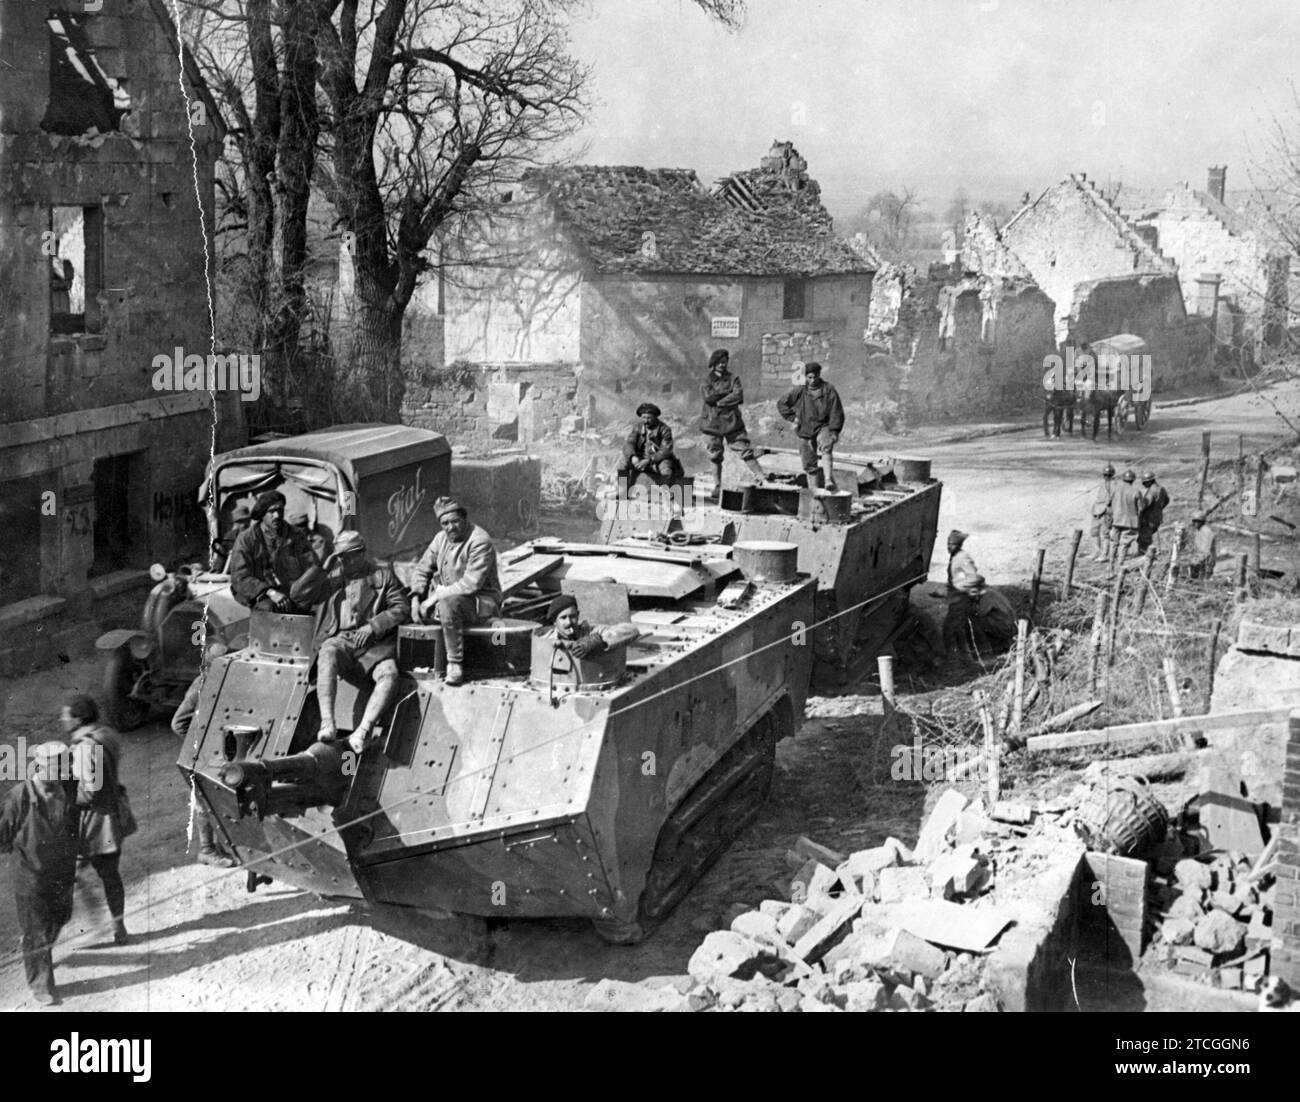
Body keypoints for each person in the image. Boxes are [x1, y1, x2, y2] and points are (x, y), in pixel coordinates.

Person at [293, 531, 410, 753]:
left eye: (355, 554)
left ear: (363, 553)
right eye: (344, 556)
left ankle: (363, 731)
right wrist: (322, 568)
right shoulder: (331, 578)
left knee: (390, 674)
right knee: (327, 650)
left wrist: (373, 625)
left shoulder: (382, 576)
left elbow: (401, 608)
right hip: (343, 640)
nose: (350, 560)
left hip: (375, 645)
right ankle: (327, 722)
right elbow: (298, 595)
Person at [0, 741, 80, 1005]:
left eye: (65, 769)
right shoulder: (19, 796)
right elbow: (3, 836)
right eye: (58, 770)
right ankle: (41, 985)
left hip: (61, 873)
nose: (64, 774)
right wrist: (25, 851)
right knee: (37, 933)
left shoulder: (68, 786)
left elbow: (74, 820)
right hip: (31, 877)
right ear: (41, 767)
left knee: (60, 917)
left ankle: (37, 948)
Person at [409, 498, 501, 688]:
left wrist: (434, 597)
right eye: (445, 523)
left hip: (481, 603)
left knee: (447, 603)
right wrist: (416, 598)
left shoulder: (479, 540)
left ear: (464, 519)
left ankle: (455, 663)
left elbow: (470, 583)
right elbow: (421, 569)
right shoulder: (440, 539)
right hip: (452, 600)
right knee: (410, 603)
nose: (450, 527)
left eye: (455, 521)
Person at [61, 694, 128, 947]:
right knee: (111, 876)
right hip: (114, 813)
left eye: (66, 715)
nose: (62, 719)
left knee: (69, 873)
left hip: (94, 822)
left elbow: (89, 790)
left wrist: (64, 796)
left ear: (78, 719)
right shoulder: (107, 734)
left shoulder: (84, 747)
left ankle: (83, 928)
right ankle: (118, 926)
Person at [172, 643, 238, 868]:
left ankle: (220, 848)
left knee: (218, 800)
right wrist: (198, 742)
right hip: (201, 756)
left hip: (216, 753)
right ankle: (207, 851)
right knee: (204, 802)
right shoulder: (200, 686)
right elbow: (178, 722)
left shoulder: (223, 684)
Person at [228, 490, 317, 611]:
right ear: (262, 514)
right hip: (256, 591)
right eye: (272, 511)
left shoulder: (296, 535)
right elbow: (240, 577)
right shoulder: (246, 539)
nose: (277, 515)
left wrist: (301, 590)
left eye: (280, 510)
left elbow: (312, 566)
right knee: (270, 607)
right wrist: (269, 592)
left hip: (290, 590)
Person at [700, 349, 765, 497]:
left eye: (725, 362)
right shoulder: (707, 380)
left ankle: (761, 476)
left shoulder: (733, 378)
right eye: (719, 362)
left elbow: (738, 396)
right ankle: (717, 485)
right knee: (714, 454)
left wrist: (720, 401)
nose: (723, 365)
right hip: (712, 422)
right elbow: (708, 398)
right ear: (714, 364)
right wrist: (726, 396)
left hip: (732, 422)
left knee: (745, 450)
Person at [777, 362, 846, 490]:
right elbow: (782, 403)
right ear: (805, 377)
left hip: (823, 425)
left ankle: (828, 479)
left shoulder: (828, 389)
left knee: (826, 446)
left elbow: (836, 411)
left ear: (819, 375)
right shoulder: (800, 390)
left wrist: (834, 431)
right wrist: (793, 418)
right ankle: (813, 489)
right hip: (805, 427)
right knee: (808, 460)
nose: (813, 380)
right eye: (809, 377)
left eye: (815, 377)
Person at [541, 594, 640, 658]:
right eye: (563, 618)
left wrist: (597, 640)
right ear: (554, 621)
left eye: (573, 616)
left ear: (578, 615)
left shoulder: (590, 632)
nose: (569, 622)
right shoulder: (545, 640)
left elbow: (632, 630)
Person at [617, 402, 685, 491]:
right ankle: (623, 489)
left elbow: (666, 450)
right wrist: (633, 457)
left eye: (649, 418)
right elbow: (629, 443)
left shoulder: (665, 429)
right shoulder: (638, 427)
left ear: (655, 417)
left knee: (665, 468)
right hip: (640, 458)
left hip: (657, 460)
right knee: (622, 463)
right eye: (644, 417)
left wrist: (650, 460)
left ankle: (666, 493)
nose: (646, 421)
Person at [942, 530, 981, 658]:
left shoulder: (963, 557)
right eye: (948, 543)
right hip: (956, 599)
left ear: (958, 545)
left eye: (952, 544)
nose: (949, 547)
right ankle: (966, 657)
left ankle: (950, 659)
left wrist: (959, 587)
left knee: (948, 629)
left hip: (962, 600)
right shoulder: (954, 557)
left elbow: (974, 577)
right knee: (958, 629)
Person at [1109, 468, 1146, 566]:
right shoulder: (1136, 491)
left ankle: (1111, 564)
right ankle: (1119, 564)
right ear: (1133, 480)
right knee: (1124, 544)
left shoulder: (1115, 489)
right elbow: (1141, 508)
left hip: (1116, 520)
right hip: (1130, 522)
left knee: (1114, 542)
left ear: (1123, 479)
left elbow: (1109, 503)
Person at [1138, 470, 1170, 553]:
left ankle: (1145, 557)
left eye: (1145, 483)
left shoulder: (1152, 491)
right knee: (1148, 537)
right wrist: (1158, 509)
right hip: (1157, 518)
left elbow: (1144, 505)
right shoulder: (1161, 488)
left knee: (1144, 540)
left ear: (1150, 481)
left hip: (1148, 520)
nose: (1144, 484)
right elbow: (1167, 500)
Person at [1088, 465, 1116, 562]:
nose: (1106, 476)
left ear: (1112, 475)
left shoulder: (1115, 485)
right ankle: (1096, 551)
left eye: (1108, 475)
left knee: (1105, 534)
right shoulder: (1102, 484)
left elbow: (1112, 500)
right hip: (1097, 510)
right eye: (1105, 475)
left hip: (1106, 511)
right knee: (1094, 531)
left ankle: (1104, 555)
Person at [215, 502, 252, 572]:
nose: (244, 525)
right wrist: (216, 571)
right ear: (235, 523)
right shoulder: (229, 537)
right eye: (240, 522)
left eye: (246, 521)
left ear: (250, 521)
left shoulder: (256, 536)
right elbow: (221, 557)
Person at [1183, 511, 1218, 580]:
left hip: (1206, 561)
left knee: (1203, 581)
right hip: (1199, 559)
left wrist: (1195, 560)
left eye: (1198, 521)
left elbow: (1206, 551)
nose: (1196, 523)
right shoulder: (1198, 531)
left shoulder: (1207, 532)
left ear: (1202, 522)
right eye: (1194, 521)